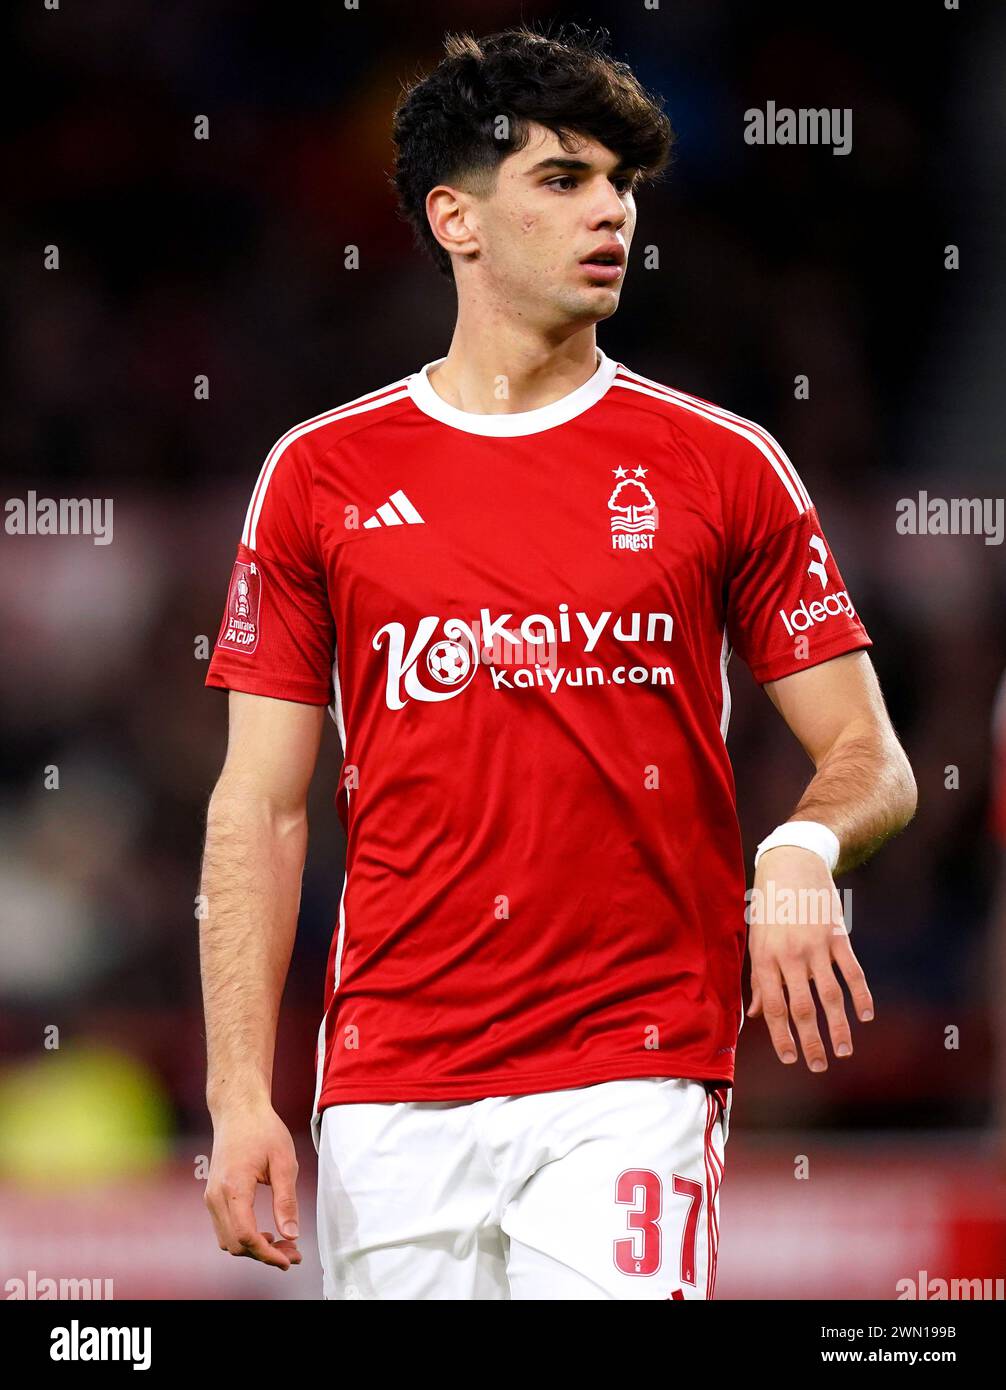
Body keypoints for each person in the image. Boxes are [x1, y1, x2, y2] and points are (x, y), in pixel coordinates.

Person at [199, 24, 916, 1300]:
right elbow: (257, 804)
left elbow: (869, 758)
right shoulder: (320, 475)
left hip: (630, 1066)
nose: (611, 213)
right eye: (563, 179)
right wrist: (239, 1092)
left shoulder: (722, 465)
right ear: (454, 219)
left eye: (622, 185)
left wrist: (799, 849)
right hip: (390, 1078)